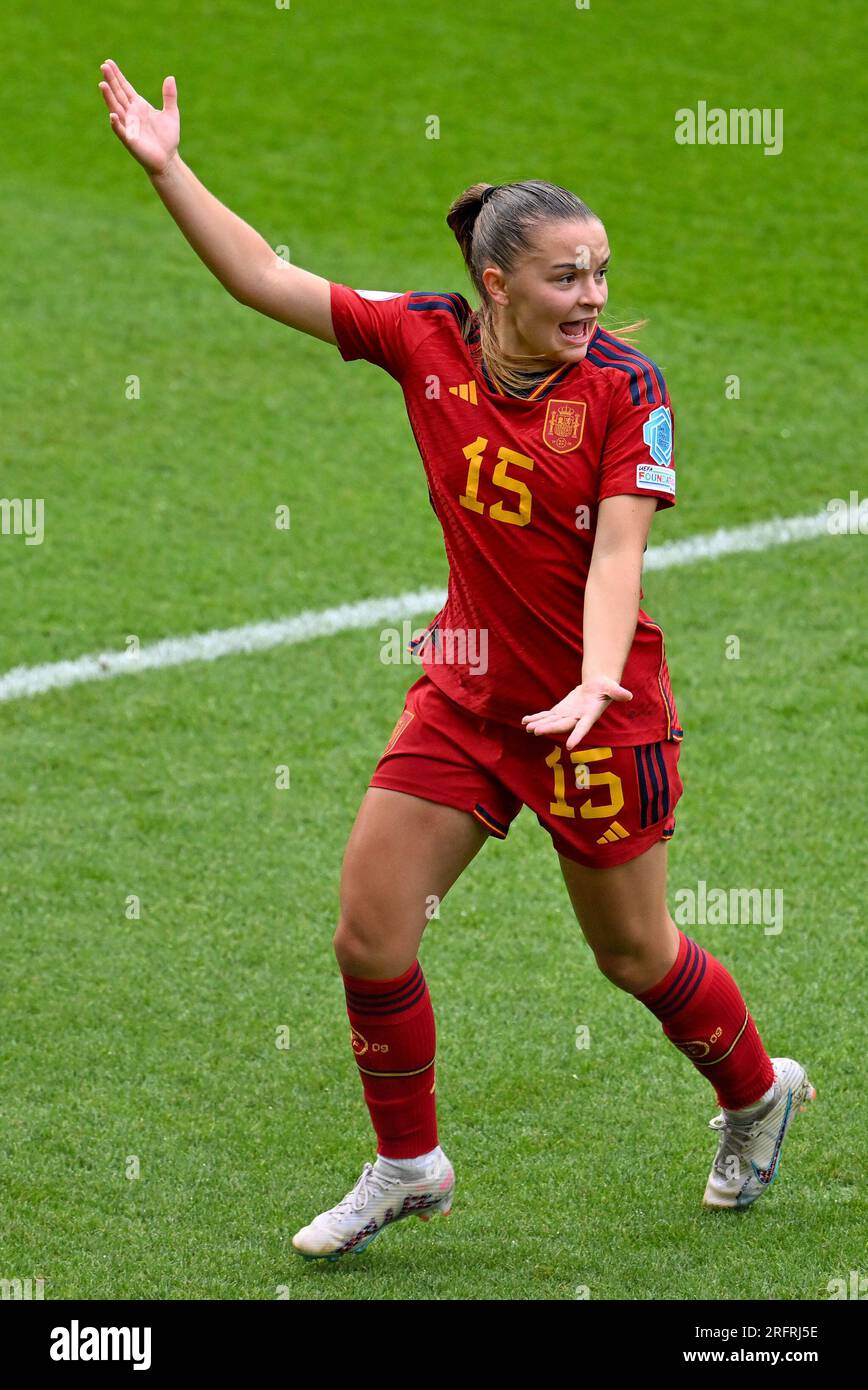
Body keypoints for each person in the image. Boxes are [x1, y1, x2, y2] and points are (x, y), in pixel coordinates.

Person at [98, 61, 816, 1263]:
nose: (591, 296)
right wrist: (173, 171)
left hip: (600, 714)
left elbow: (615, 561)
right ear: (497, 282)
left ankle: (753, 1095)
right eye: (563, 275)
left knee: (633, 954)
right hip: (470, 692)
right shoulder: (424, 338)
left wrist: (591, 680)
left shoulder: (628, 393)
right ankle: (407, 1163)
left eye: (598, 273)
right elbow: (265, 276)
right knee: (369, 934)